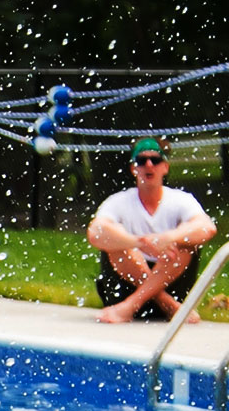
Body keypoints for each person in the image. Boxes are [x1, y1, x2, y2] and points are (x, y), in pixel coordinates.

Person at [89, 136, 218, 324]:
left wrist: (168, 238)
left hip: (172, 281)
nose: (149, 165)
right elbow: (96, 233)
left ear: (165, 167)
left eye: (155, 160)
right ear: (134, 169)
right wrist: (139, 242)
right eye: (141, 161)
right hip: (126, 290)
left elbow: (206, 228)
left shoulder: (181, 200)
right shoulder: (118, 201)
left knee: (184, 246)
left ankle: (132, 306)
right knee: (118, 245)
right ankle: (165, 303)